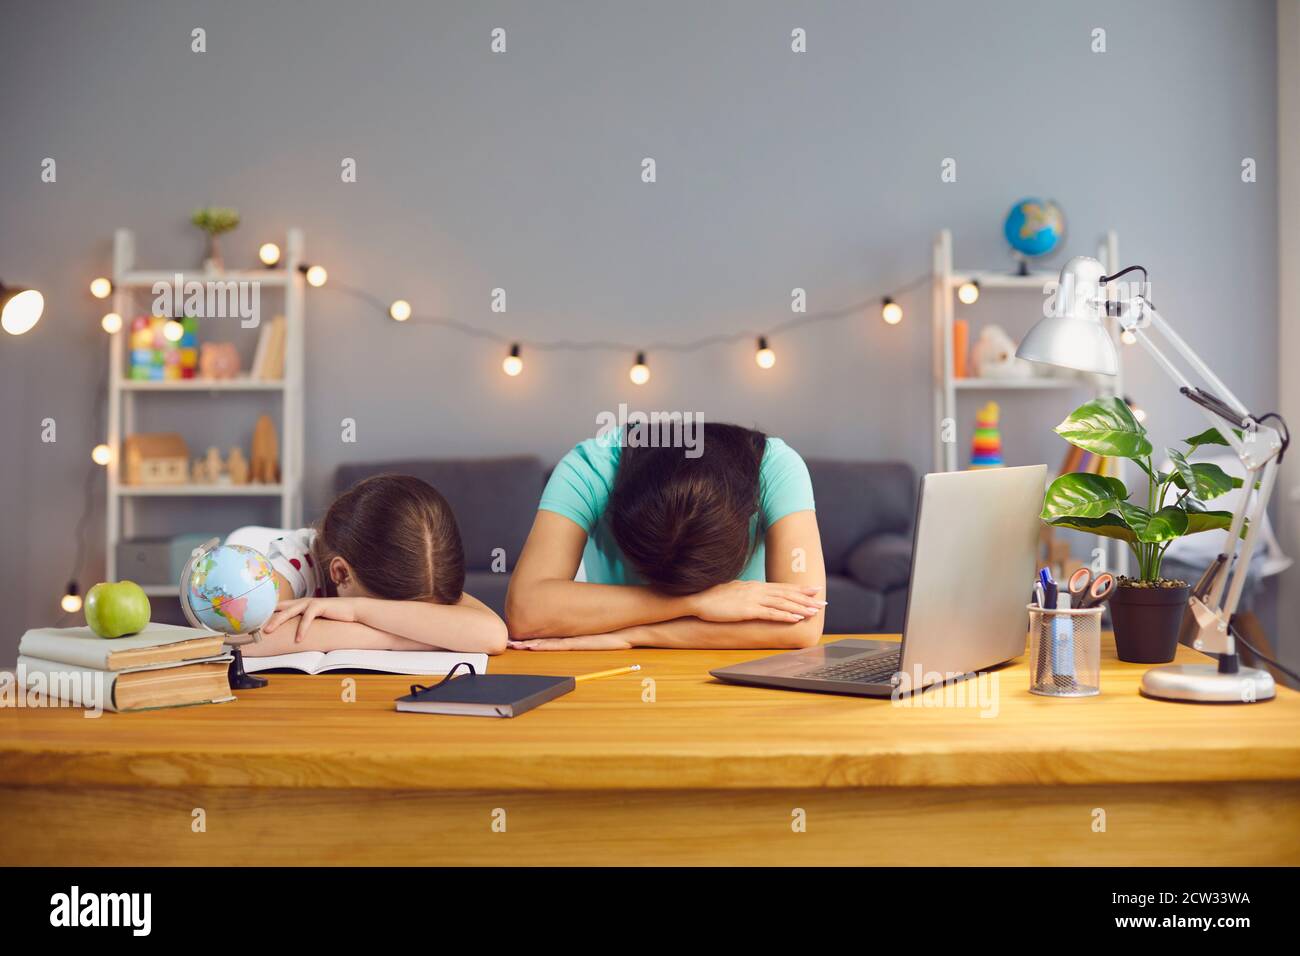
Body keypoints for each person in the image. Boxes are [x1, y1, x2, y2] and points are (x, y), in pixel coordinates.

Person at [506, 421, 827, 650]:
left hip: (735, 662)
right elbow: (526, 612)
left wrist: (636, 634)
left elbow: (803, 626)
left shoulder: (775, 469)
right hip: (626, 667)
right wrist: (701, 602)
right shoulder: (592, 467)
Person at [244, 474, 508, 656]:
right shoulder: (296, 564)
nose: (406, 619)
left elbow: (492, 635)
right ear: (341, 573)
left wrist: (357, 609)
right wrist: (399, 637)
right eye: (397, 610)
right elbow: (240, 641)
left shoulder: (427, 576)